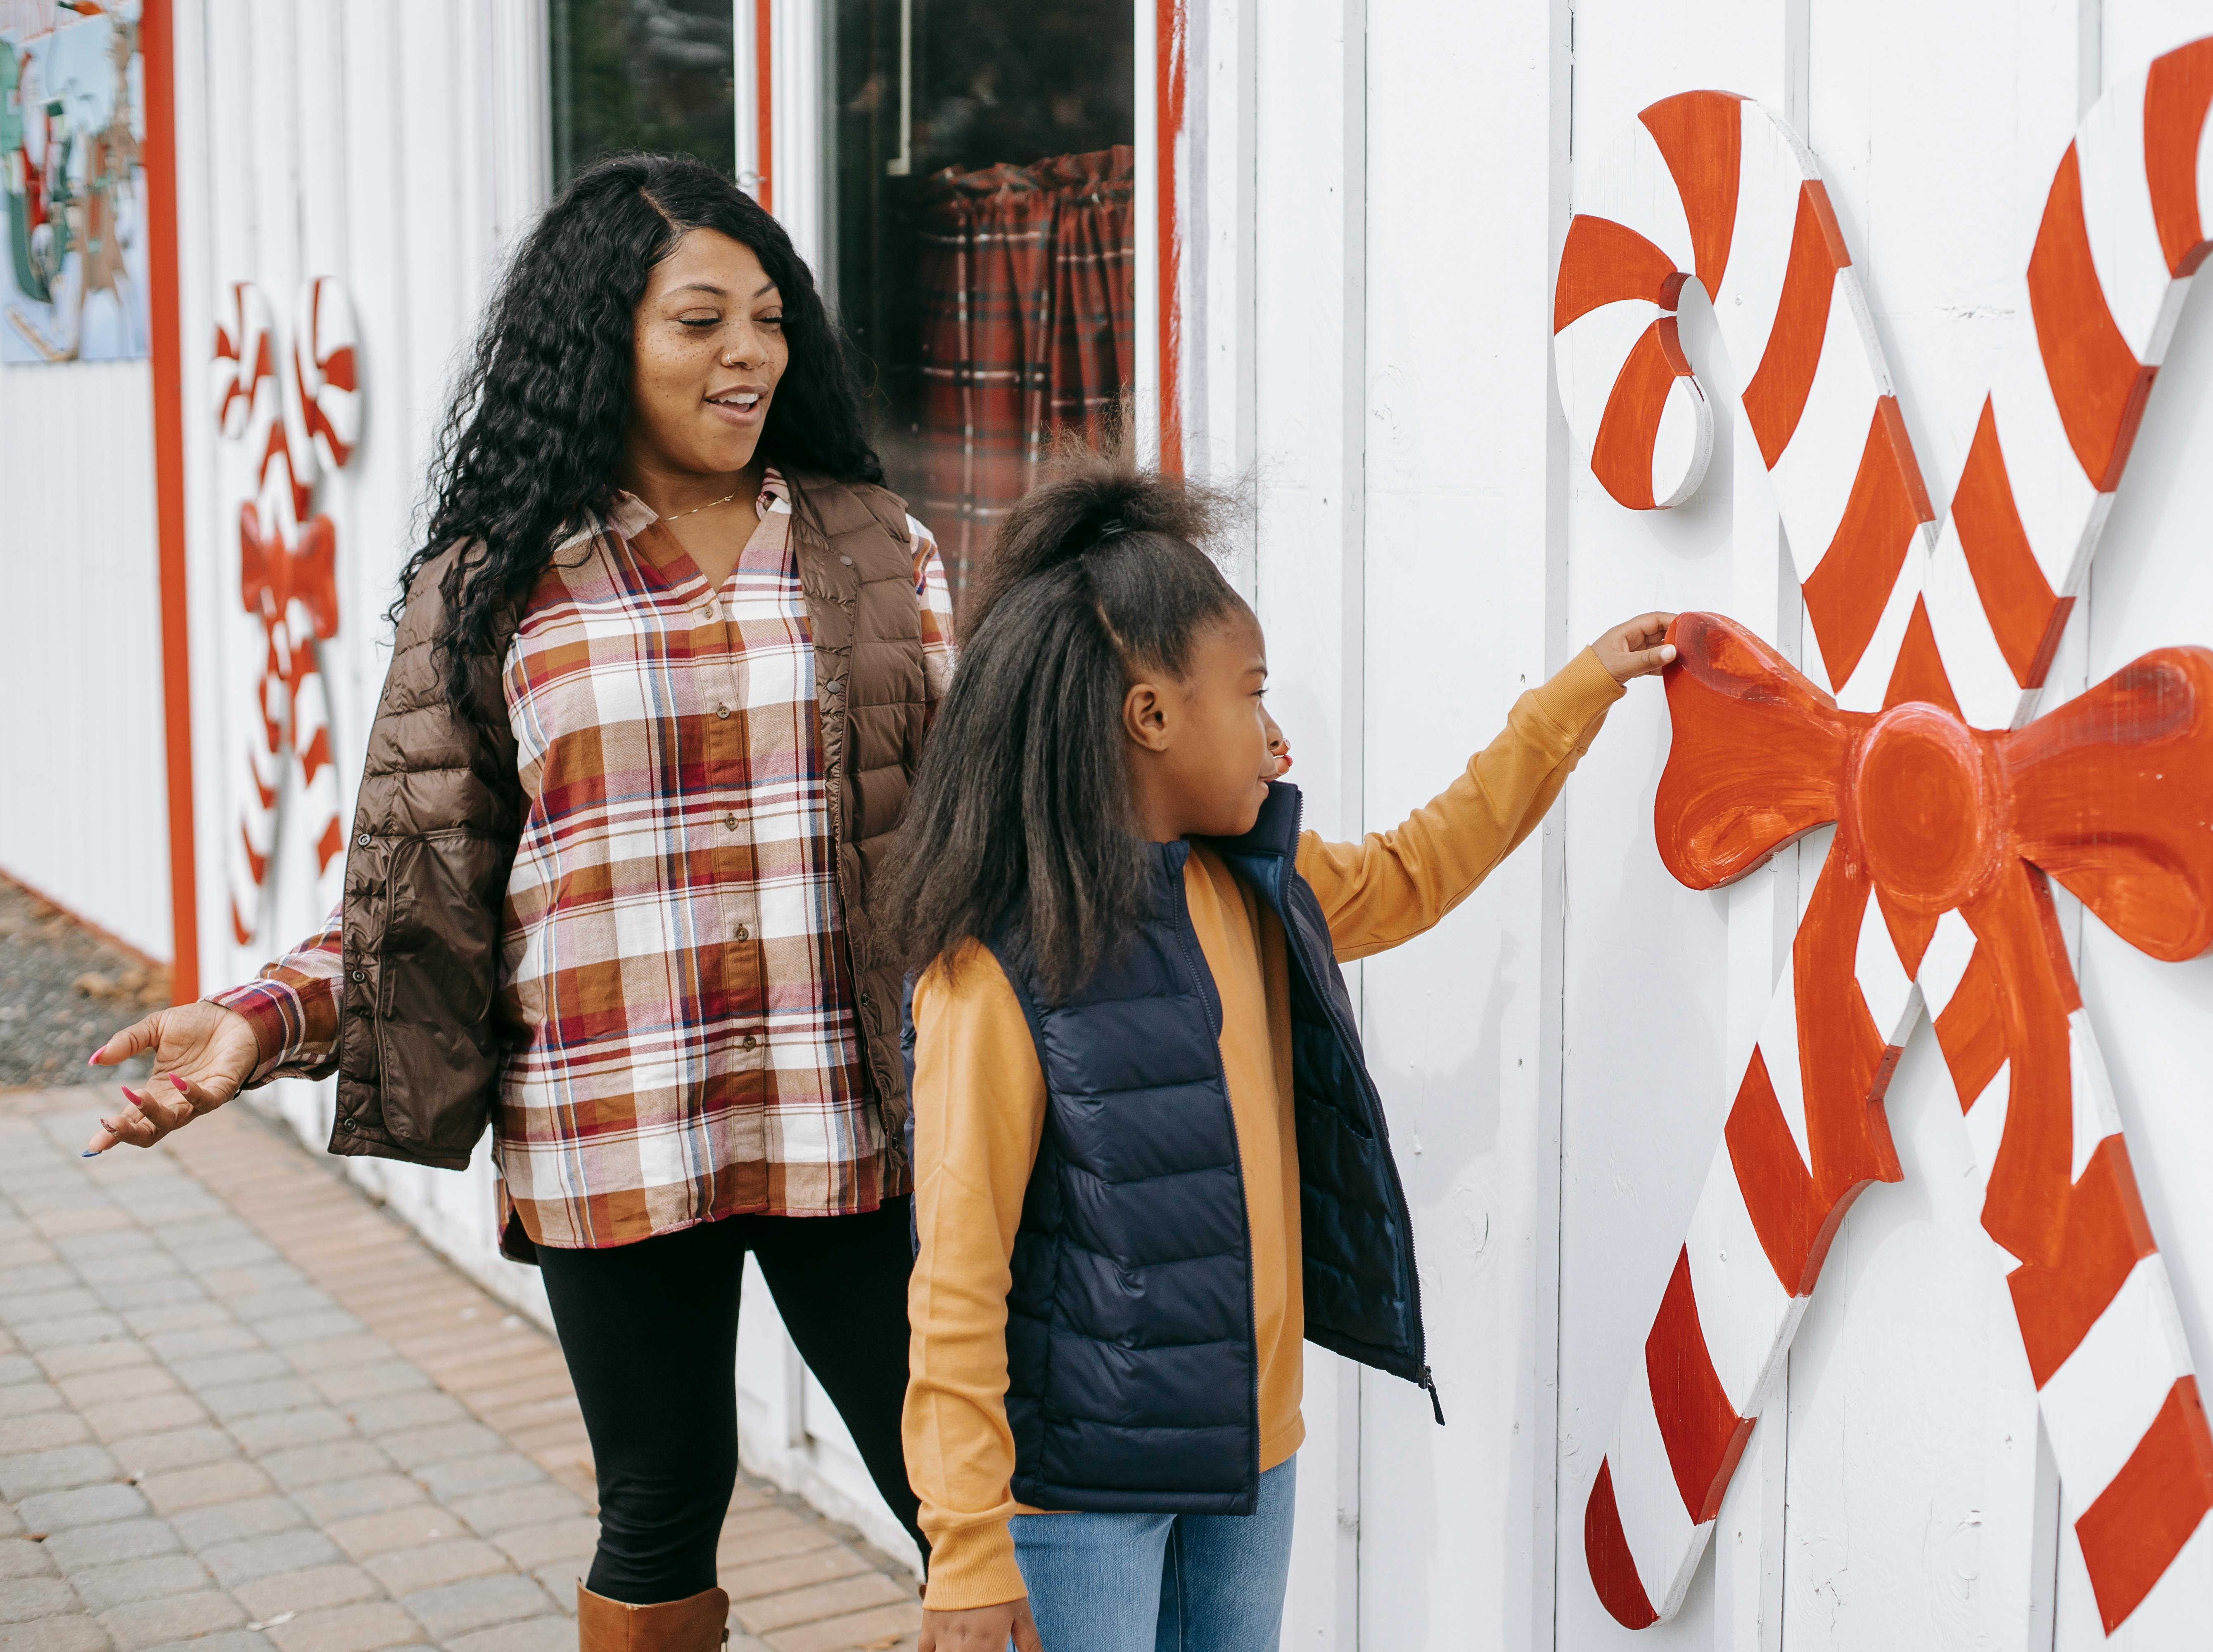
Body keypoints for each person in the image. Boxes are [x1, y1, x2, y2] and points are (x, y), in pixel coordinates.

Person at [88, 154, 944, 1652]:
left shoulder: (877, 548)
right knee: (661, 1501)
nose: (747, 355)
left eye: (767, 317)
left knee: (960, 1495)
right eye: (700, 320)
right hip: (616, 1127)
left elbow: (978, 822)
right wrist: (259, 1020)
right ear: (600, 337)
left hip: (859, 1121)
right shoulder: (495, 586)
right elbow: (432, 891)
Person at [885, 457, 1676, 1652]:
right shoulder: (993, 968)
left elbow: (1416, 870)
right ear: (1150, 717)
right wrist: (967, 1547)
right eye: (1248, 693)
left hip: (1256, 1454)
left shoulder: (1256, 883)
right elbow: (956, 1278)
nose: (1272, 725)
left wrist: (1576, 696)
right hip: (1076, 1499)